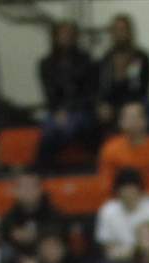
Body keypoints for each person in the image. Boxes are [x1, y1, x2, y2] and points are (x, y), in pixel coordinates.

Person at [36, 19, 98, 171]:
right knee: (49, 131)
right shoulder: (46, 63)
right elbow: (49, 92)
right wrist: (59, 111)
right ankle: (44, 173)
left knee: (69, 127)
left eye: (70, 34)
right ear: (55, 37)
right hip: (57, 111)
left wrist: (68, 111)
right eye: (62, 34)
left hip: (81, 110)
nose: (66, 37)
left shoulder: (86, 60)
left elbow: (90, 91)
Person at [97, 101, 149, 206]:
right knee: (108, 210)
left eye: (135, 117)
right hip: (120, 203)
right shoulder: (110, 149)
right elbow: (106, 185)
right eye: (126, 117)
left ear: (146, 120)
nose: (131, 121)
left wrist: (140, 203)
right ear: (120, 121)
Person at [95, 167, 149, 261]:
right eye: (125, 189)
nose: (128, 193)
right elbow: (107, 248)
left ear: (140, 189)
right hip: (120, 262)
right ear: (117, 191)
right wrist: (132, 252)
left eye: (132, 188)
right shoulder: (108, 210)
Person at [95, 13, 149, 129]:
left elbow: (143, 87)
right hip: (112, 103)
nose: (119, 33)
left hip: (135, 101)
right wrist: (103, 104)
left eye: (122, 29)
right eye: (115, 30)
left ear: (130, 32)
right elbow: (101, 87)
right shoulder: (106, 58)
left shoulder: (141, 57)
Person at [0, 169, 63, 258]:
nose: (27, 191)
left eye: (31, 186)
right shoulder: (9, 217)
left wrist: (38, 235)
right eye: (23, 187)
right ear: (15, 191)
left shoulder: (54, 214)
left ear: (40, 189)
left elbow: (59, 233)